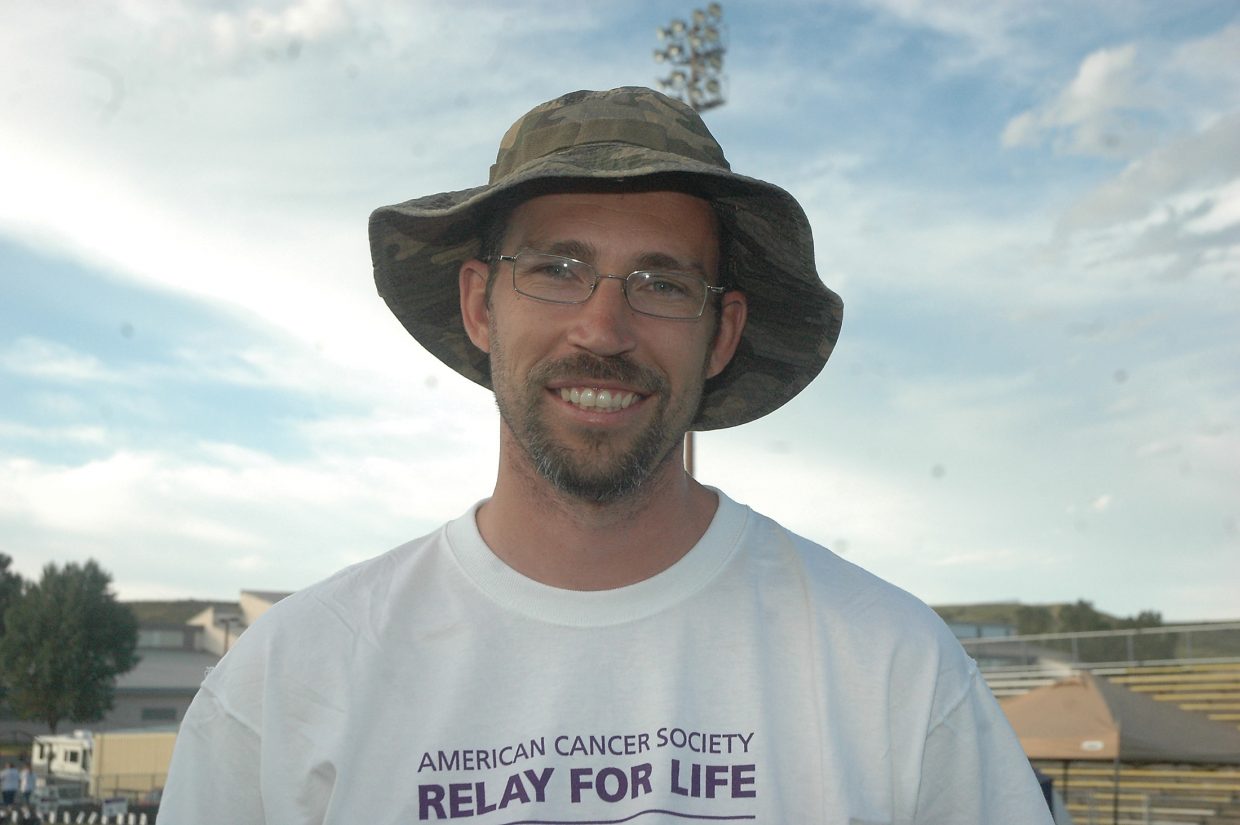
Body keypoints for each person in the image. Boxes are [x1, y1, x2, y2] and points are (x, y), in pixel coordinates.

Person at [160, 87, 1052, 823]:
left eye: (664, 283)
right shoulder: (289, 684)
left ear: (721, 332)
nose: (604, 327)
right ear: (481, 304)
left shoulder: (891, 670)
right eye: (556, 268)